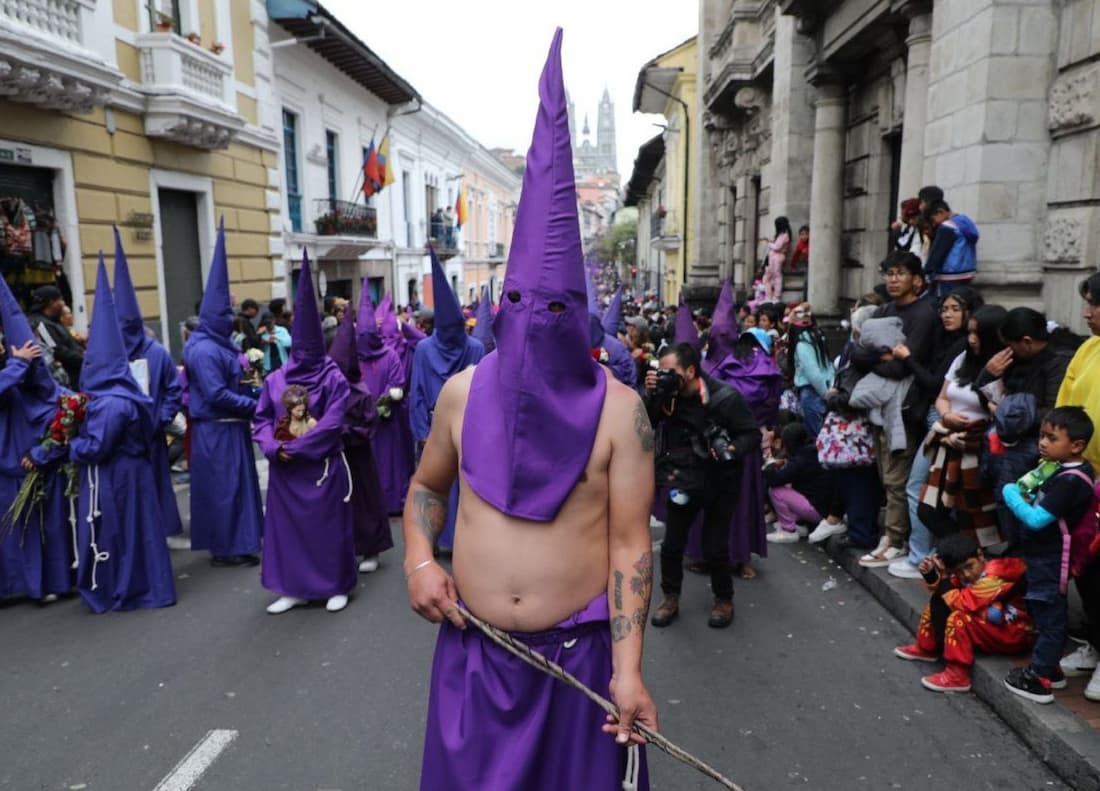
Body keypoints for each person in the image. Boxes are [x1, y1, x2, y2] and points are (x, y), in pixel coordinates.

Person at [405, 31, 657, 788]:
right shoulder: (458, 393)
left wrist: (629, 670)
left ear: (577, 316)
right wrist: (420, 560)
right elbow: (425, 490)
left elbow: (629, 548)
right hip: (476, 658)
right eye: (517, 301)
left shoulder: (622, 414)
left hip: (579, 671)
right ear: (498, 308)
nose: (533, 316)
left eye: (553, 305)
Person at [70, 257, 176, 612]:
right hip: (132, 472)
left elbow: (97, 447)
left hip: (119, 477)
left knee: (122, 533)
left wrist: (71, 445)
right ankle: (142, 585)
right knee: (137, 533)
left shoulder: (113, 402)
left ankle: (127, 588)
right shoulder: (125, 393)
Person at [254, 255, 355, 615]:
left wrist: (297, 446)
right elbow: (262, 419)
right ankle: (293, 587)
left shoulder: (332, 377)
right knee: (290, 531)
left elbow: (332, 420)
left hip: (319, 467)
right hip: (285, 468)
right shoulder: (276, 379)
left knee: (327, 530)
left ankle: (335, 585)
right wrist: (272, 446)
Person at [645, 343, 761, 628]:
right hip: (682, 478)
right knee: (672, 545)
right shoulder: (667, 397)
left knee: (715, 547)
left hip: (720, 481)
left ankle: (724, 600)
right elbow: (646, 422)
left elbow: (752, 434)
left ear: (690, 370)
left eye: (669, 372)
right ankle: (670, 597)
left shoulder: (724, 398)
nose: (665, 377)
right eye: (661, 372)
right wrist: (652, 393)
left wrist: (731, 448)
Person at [181, 222, 264, 567]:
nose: (231, 318)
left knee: (239, 487)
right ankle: (228, 548)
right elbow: (215, 394)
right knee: (224, 489)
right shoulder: (203, 351)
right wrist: (255, 405)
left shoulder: (220, 345)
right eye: (225, 313)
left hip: (230, 426)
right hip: (217, 428)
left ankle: (242, 541)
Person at [888, 286, 984, 580]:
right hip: (941, 425)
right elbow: (941, 393)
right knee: (923, 491)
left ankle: (929, 557)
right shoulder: (955, 351)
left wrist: (907, 359)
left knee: (937, 497)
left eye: (955, 309)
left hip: (964, 435)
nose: (948, 315)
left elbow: (931, 383)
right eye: (944, 309)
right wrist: (945, 415)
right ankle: (927, 555)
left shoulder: (973, 354)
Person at [1001, 407, 1096, 703]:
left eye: (1052, 438)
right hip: (1043, 554)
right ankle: (1051, 670)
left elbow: (1037, 519)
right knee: (1044, 612)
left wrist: (1011, 495)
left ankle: (1039, 678)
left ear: (1077, 445)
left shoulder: (1070, 480)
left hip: (1053, 557)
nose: (1043, 443)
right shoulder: (1060, 468)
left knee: (1050, 617)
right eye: (1042, 436)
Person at [851, 251, 938, 567]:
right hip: (878, 404)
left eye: (900, 273)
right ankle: (890, 534)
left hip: (904, 407)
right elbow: (858, 354)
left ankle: (895, 539)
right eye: (889, 273)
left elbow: (905, 367)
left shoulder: (925, 314)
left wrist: (891, 359)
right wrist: (884, 358)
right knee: (885, 474)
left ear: (916, 279)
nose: (893, 279)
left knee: (896, 477)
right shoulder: (884, 309)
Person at [977, 307, 1075, 546]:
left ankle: (1020, 554)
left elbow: (1053, 412)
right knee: (1004, 499)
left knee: (1021, 505)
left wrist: (1007, 414)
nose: (1008, 351)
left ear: (1027, 341)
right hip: (1005, 446)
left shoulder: (1058, 360)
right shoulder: (1013, 360)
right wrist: (987, 374)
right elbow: (986, 397)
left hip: (1036, 450)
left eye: (1012, 345)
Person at [0, 278, 70, 603]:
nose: (2, 346)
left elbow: (52, 396)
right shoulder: (11, 374)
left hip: (23, 463)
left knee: (28, 529)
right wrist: (18, 363)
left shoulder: (21, 383)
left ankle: (37, 583)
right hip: (10, 465)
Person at [410, 249, 485, 552]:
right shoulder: (424, 351)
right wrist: (422, 434)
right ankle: (442, 538)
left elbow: (483, 390)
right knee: (438, 485)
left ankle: (461, 537)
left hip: (466, 430)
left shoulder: (475, 348)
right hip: (440, 429)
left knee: (463, 487)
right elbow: (416, 393)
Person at [112, 229, 184, 540]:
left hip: (151, 433)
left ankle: (158, 530)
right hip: (117, 438)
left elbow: (173, 389)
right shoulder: (107, 354)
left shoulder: (157, 353)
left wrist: (160, 416)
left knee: (156, 483)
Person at [894, 533, 1032, 694]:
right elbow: (948, 589)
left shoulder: (994, 577)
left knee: (958, 617)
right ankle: (927, 648)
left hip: (1013, 633)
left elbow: (960, 603)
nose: (966, 575)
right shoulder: (975, 571)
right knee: (940, 598)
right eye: (959, 571)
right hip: (996, 626)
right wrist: (932, 573)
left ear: (980, 555)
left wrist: (944, 577)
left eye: (968, 567)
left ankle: (958, 675)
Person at [1056, 271, 1100, 698]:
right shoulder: (1087, 349)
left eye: (1094, 304)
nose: (1086, 312)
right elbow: (1065, 408)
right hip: (1083, 482)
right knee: (1085, 568)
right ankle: (1092, 643)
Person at [327, 309, 391, 574]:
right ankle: (346, 548)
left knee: (364, 502)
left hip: (357, 456)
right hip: (333, 457)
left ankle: (371, 548)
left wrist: (342, 431)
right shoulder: (325, 386)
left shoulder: (360, 391)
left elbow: (367, 427)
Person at [359, 289, 414, 515]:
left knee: (390, 461)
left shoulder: (389, 355)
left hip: (386, 421)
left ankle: (393, 501)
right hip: (361, 422)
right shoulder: (353, 355)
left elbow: (396, 381)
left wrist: (380, 404)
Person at [764, 422, 833, 543]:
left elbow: (775, 480)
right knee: (788, 485)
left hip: (817, 510)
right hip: (824, 507)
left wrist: (770, 466)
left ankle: (789, 530)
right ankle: (799, 525)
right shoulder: (812, 450)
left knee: (776, 491)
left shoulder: (800, 460)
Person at [785, 303, 834, 438]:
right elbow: (829, 367)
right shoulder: (817, 338)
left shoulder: (802, 344)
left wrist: (826, 395)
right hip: (825, 388)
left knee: (818, 438)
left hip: (812, 392)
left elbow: (813, 373)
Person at [28, 285, 83, 387]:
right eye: (61, 299)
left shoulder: (53, 320)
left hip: (77, 376)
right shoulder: (40, 324)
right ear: (52, 302)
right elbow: (57, 350)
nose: (63, 303)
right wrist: (85, 359)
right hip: (67, 382)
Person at [924, 200, 979, 297]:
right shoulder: (965, 221)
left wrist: (928, 270)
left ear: (940, 212)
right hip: (967, 272)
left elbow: (938, 253)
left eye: (933, 220)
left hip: (948, 274)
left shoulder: (947, 226)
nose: (934, 224)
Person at [763, 216, 791, 302]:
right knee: (767, 278)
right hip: (774, 257)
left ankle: (776, 297)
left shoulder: (784, 235)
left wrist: (769, 244)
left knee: (776, 276)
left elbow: (777, 247)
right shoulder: (782, 235)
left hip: (777, 257)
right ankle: (769, 296)